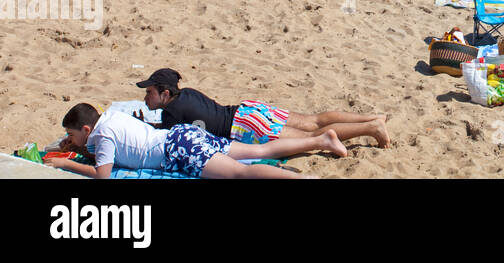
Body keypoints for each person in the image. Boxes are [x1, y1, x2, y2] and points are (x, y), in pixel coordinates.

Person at [46, 102, 345, 179]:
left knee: (240, 173)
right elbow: (89, 142)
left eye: (72, 135)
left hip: (178, 150)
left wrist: (67, 163)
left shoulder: (103, 137)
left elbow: (103, 174)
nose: (68, 140)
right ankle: (322, 140)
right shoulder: (109, 118)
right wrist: (71, 145)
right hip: (184, 136)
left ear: (86, 129)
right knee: (259, 150)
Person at [134, 68, 388, 147]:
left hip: (244, 128)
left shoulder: (171, 113)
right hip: (247, 110)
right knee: (315, 120)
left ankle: (371, 128)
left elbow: (161, 136)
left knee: (313, 136)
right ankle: (373, 117)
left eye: (149, 93)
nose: (147, 98)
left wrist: (144, 124)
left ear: (165, 94)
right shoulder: (187, 93)